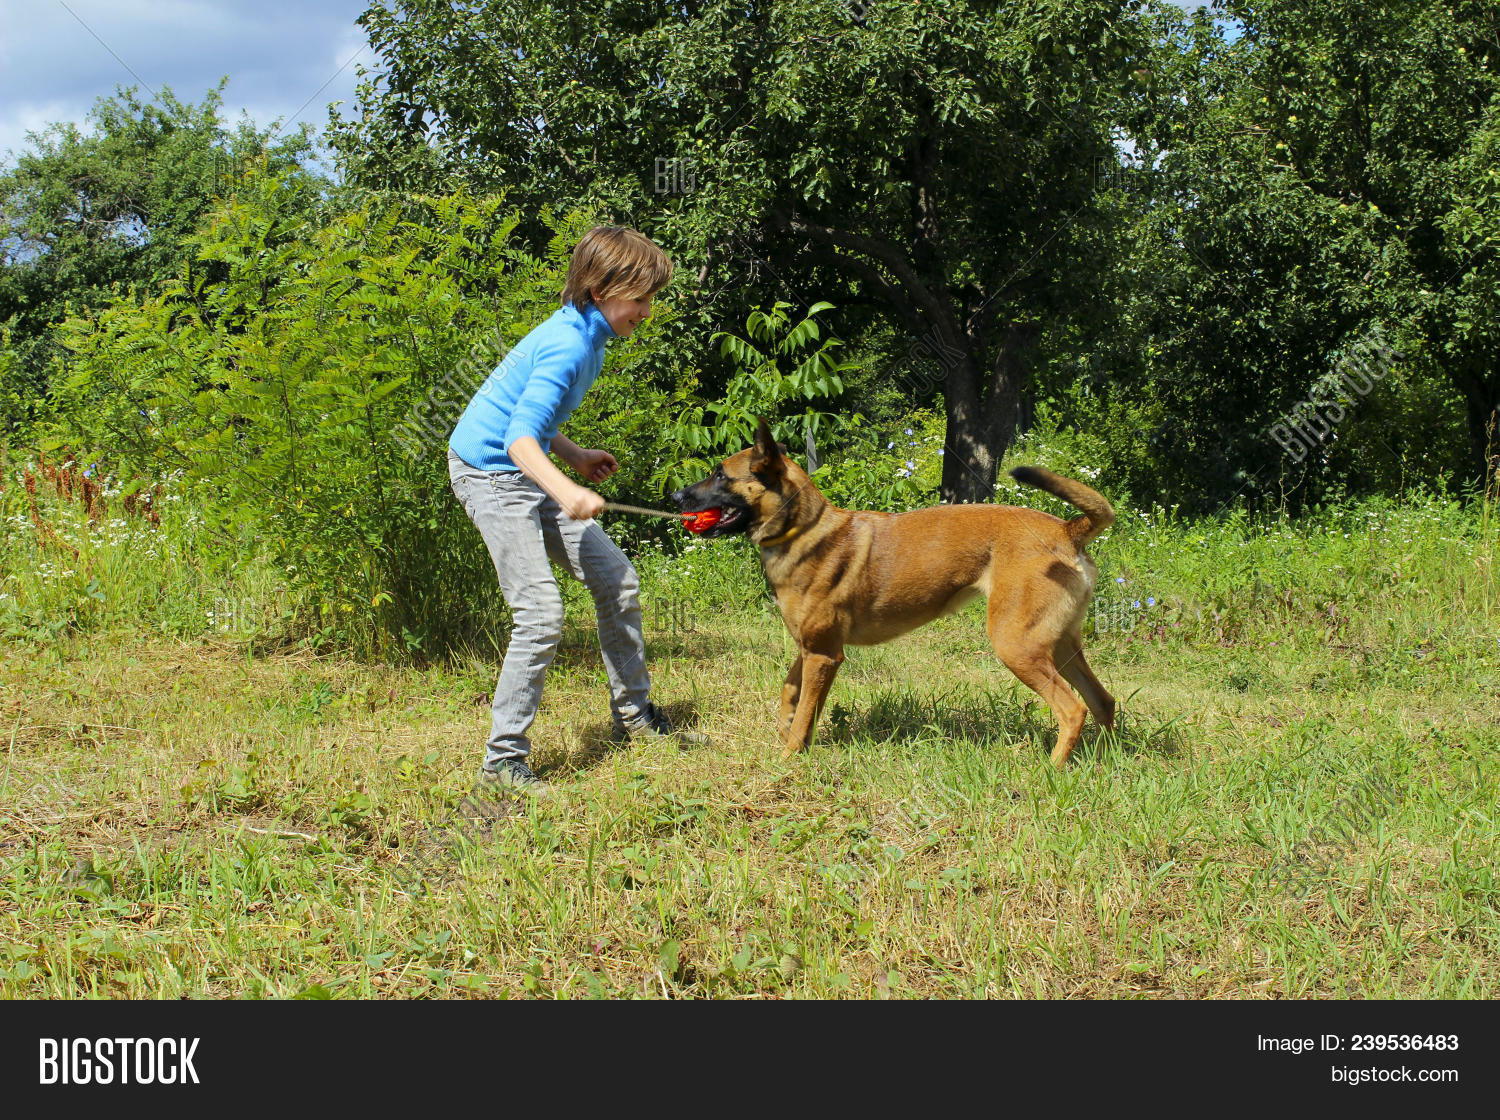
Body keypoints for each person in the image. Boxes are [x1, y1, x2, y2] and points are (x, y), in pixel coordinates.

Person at [447, 226, 706, 796]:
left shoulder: (592, 338)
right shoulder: (568, 343)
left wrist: (575, 455)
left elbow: (538, 421)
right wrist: (565, 490)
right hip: (491, 475)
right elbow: (517, 439)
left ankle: (635, 717)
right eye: (639, 297)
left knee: (617, 580)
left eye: (651, 298)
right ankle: (503, 763)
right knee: (540, 615)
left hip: (530, 465)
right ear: (600, 287)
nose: (647, 310)